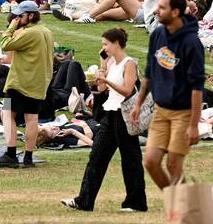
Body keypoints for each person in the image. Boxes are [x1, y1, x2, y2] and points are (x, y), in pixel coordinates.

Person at [60, 28, 148, 213]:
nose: (104, 48)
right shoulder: (111, 63)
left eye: (106, 44)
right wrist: (98, 79)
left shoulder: (129, 63)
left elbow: (128, 90)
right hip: (110, 114)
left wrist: (106, 81)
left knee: (130, 160)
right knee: (96, 157)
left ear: (116, 43)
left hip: (124, 116)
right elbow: (102, 90)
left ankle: (136, 202)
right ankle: (84, 200)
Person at [130, 0, 204, 191]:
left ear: (176, 11)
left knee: (173, 164)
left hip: (183, 113)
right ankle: (179, 201)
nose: (156, 10)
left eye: (162, 8)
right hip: (160, 110)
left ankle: (181, 209)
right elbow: (149, 73)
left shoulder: (192, 43)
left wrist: (194, 125)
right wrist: (138, 103)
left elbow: (197, 88)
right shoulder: (158, 34)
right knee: (151, 162)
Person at [0, 2, 54, 169]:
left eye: (20, 16)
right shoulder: (46, 31)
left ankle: (11, 154)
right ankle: (28, 158)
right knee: (31, 118)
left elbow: (5, 44)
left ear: (31, 15)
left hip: (21, 81)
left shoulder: (30, 32)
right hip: (39, 82)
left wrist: (11, 28)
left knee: (7, 114)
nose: (17, 19)